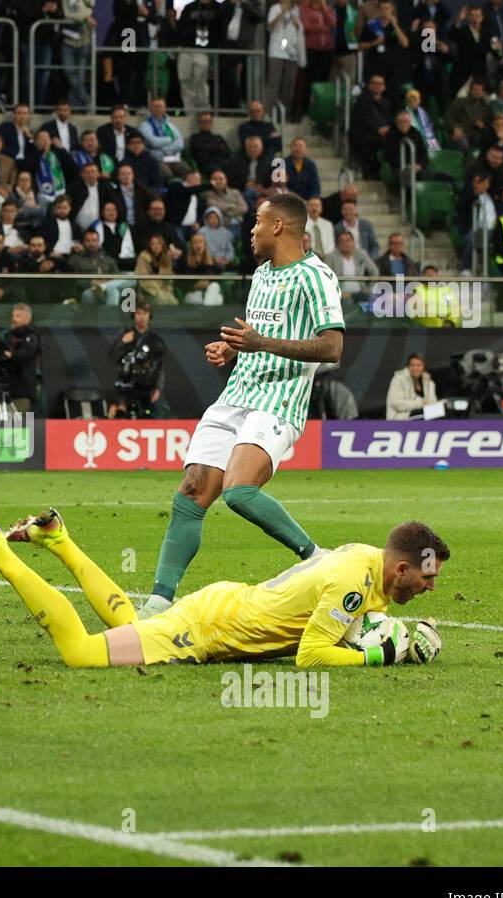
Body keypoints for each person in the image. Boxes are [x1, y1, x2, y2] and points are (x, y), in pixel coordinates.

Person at [139, 194, 344, 618]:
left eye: (257, 221)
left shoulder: (317, 276)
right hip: (236, 395)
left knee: (238, 491)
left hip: (278, 400)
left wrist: (261, 344)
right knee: (193, 488)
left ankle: (318, 558)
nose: (250, 230)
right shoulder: (262, 274)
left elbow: (333, 347)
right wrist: (235, 350)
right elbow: (259, 337)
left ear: (278, 227)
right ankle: (159, 601)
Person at [0, 510, 446, 669]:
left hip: (222, 607)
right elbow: (311, 655)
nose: (429, 587)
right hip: (208, 628)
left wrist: (397, 632)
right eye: (426, 578)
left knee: (136, 628)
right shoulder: (353, 585)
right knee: (79, 654)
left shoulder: (366, 559)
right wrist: (380, 657)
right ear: (401, 568)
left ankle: (59, 540)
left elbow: (345, 618)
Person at [108, 302, 167, 418]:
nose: (141, 317)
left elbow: (160, 366)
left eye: (144, 313)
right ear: (133, 316)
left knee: (148, 416)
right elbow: (113, 357)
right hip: (125, 385)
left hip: (146, 387)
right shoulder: (125, 335)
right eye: (138, 313)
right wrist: (122, 343)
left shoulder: (155, 340)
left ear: (149, 316)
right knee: (120, 415)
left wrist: (157, 387)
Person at [386, 353, 439, 420]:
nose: (415, 368)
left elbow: (432, 402)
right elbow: (396, 404)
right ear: (408, 367)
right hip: (401, 419)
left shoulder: (429, 383)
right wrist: (420, 404)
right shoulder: (398, 380)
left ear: (423, 367)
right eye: (412, 365)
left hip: (423, 416)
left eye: (418, 365)